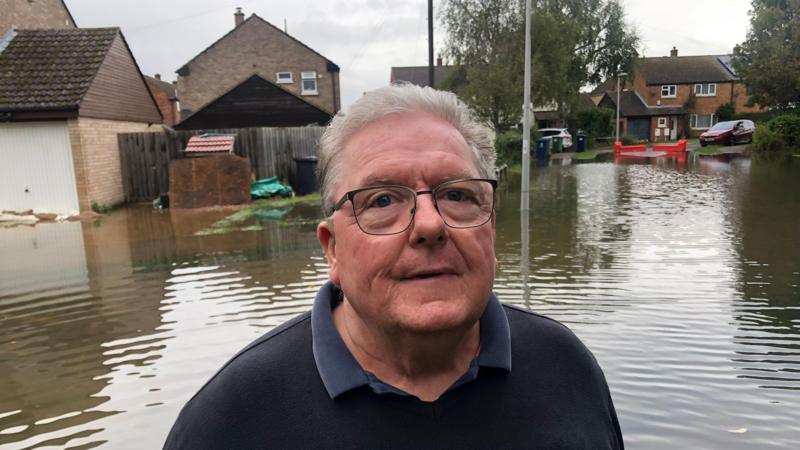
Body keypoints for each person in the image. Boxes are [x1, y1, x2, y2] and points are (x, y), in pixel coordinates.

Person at [164, 83, 623, 449]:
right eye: (382, 200)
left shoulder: (568, 369)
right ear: (333, 250)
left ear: (492, 229)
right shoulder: (229, 422)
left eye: (458, 194)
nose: (429, 224)